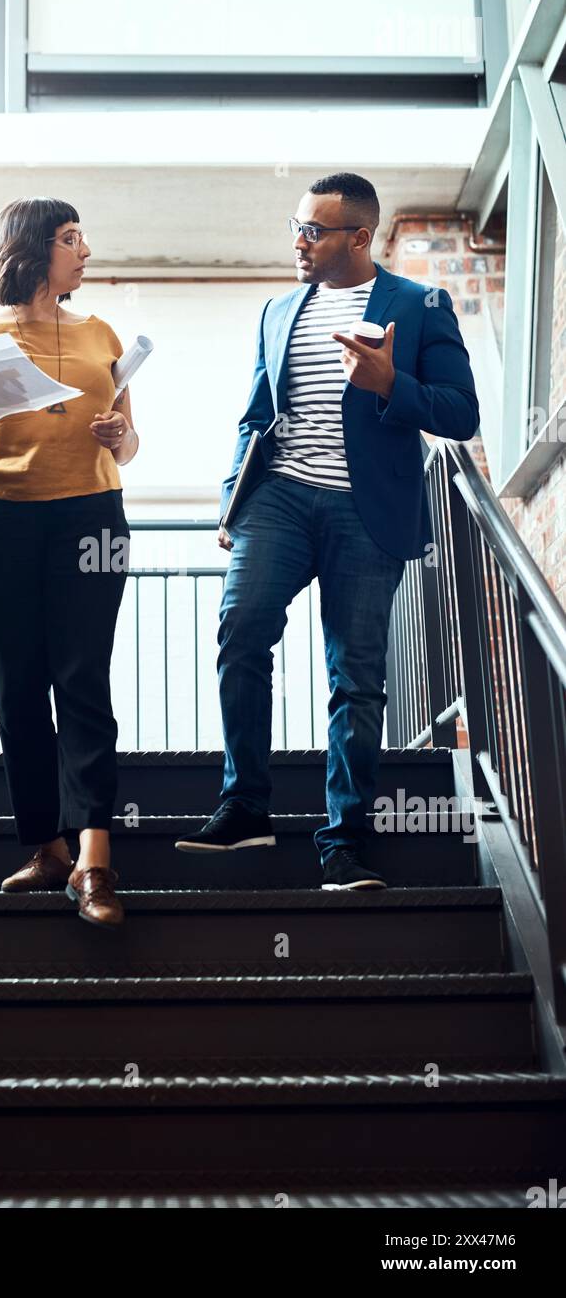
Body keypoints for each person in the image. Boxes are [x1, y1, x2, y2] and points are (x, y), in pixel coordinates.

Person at [176, 172, 479, 889]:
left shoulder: (419, 304)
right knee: (241, 630)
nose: (298, 241)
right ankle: (245, 806)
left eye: (313, 230)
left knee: (356, 676)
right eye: (297, 226)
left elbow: (460, 412)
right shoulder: (279, 309)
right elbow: (256, 415)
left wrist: (389, 385)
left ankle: (343, 843)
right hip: (277, 499)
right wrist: (232, 501)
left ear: (359, 237)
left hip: (364, 509)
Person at [0, 197, 138, 927]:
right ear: (32, 247)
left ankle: (95, 862)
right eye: (72, 239)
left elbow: (131, 445)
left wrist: (117, 436)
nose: (85, 251)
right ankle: (46, 847)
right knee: (16, 684)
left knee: (83, 678)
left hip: (91, 516)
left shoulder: (102, 333)